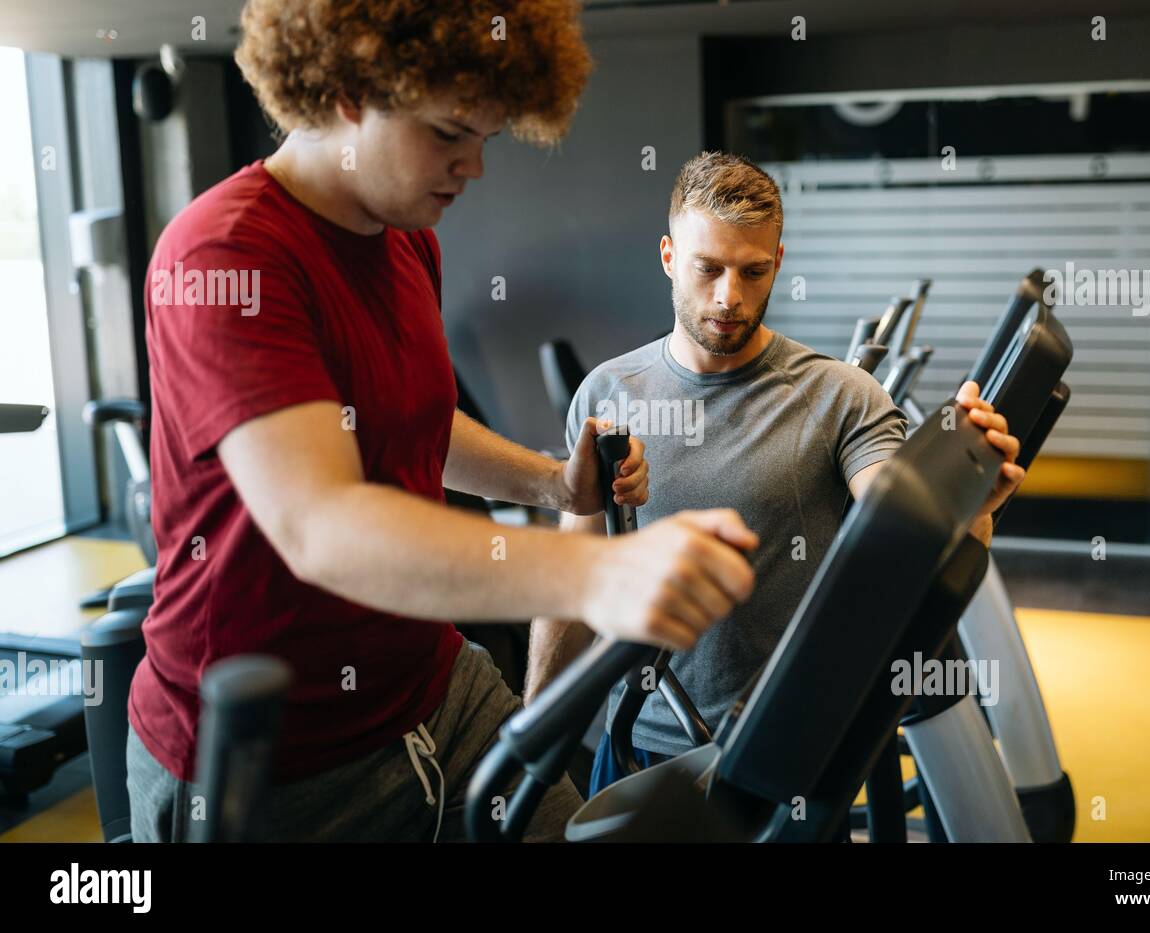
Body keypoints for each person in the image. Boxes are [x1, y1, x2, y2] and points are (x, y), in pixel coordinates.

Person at [126, 1, 757, 843]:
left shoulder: (403, 240)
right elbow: (322, 526)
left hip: (438, 690)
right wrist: (595, 574)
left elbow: (412, 418)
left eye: (486, 140)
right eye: (451, 133)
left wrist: (550, 478)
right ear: (350, 88)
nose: (474, 168)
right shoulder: (226, 255)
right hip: (279, 762)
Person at [525, 152, 1025, 798]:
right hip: (641, 744)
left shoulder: (843, 395)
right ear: (670, 257)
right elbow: (575, 572)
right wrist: (530, 734)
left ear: (778, 263)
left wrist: (969, 505)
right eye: (708, 268)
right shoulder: (607, 393)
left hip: (781, 757)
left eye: (753, 271)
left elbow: (905, 543)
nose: (730, 295)